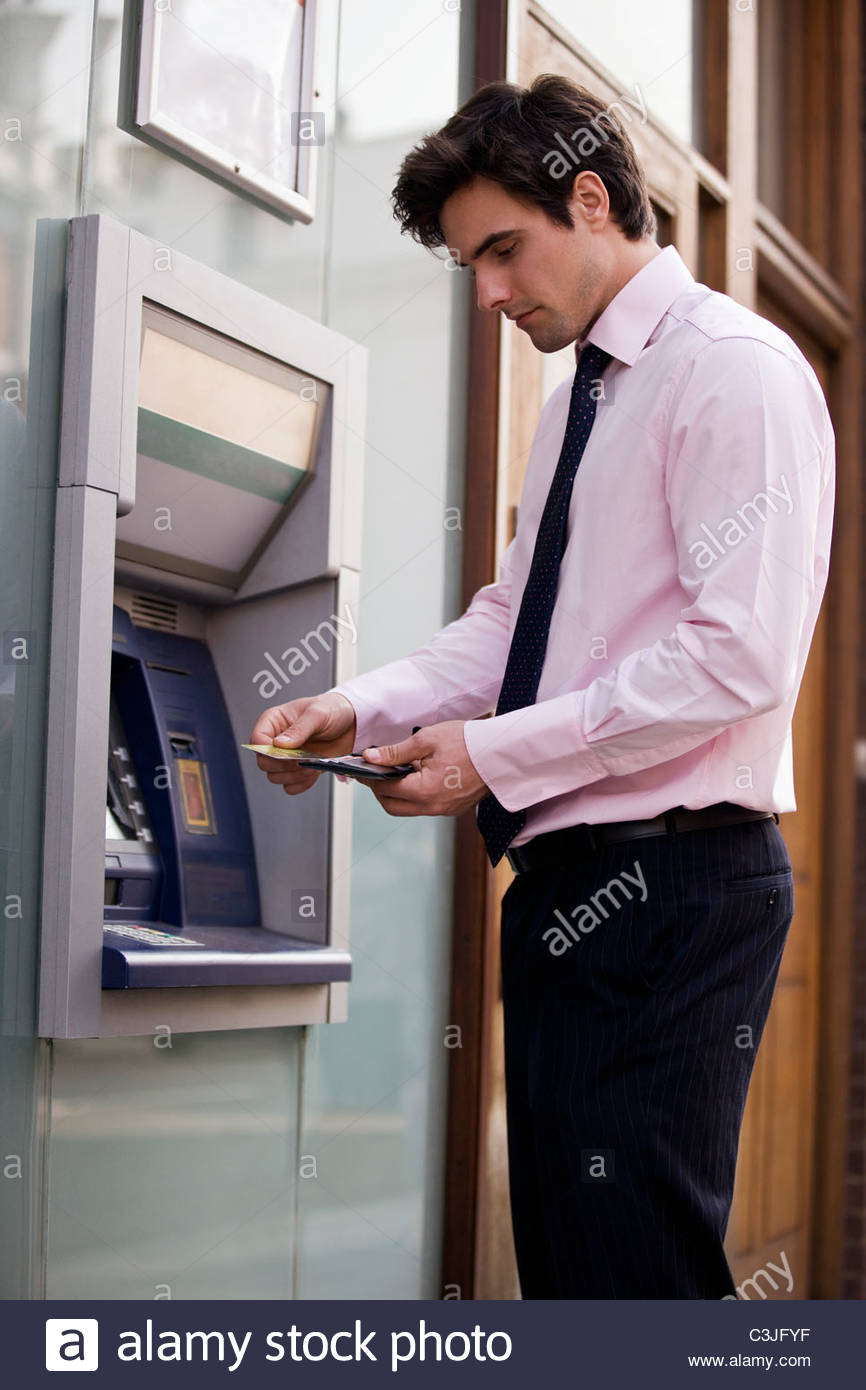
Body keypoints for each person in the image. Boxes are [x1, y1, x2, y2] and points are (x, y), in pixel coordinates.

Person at [251, 74, 835, 1299]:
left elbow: (738, 657)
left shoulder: (733, 370)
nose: (490, 294)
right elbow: (520, 624)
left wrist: (491, 758)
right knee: (581, 1273)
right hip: (579, 890)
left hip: (670, 885)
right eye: (471, 265)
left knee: (633, 1275)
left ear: (589, 197)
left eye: (503, 252)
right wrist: (365, 705)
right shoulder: (582, 393)